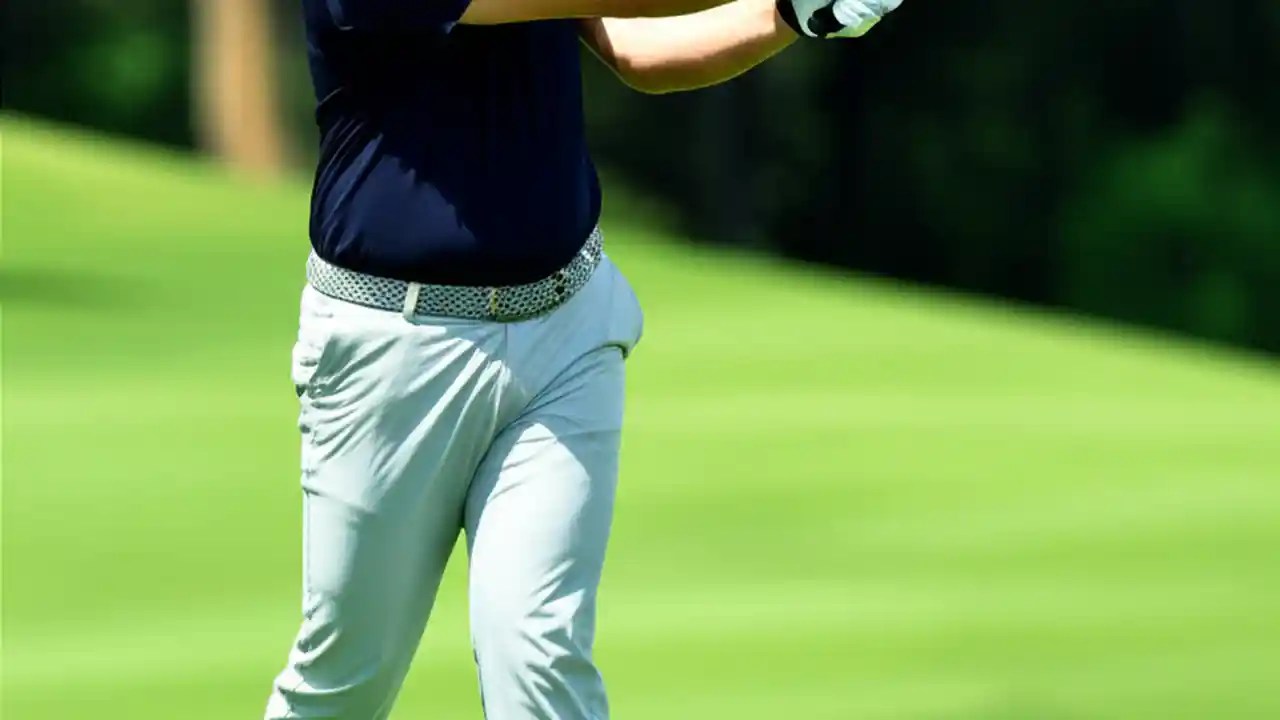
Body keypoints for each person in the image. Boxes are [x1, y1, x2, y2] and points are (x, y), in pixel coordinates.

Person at [264, 0, 904, 717]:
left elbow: (634, 46)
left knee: (538, 650)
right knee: (345, 681)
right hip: (395, 353)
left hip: (566, 331)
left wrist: (795, 14)